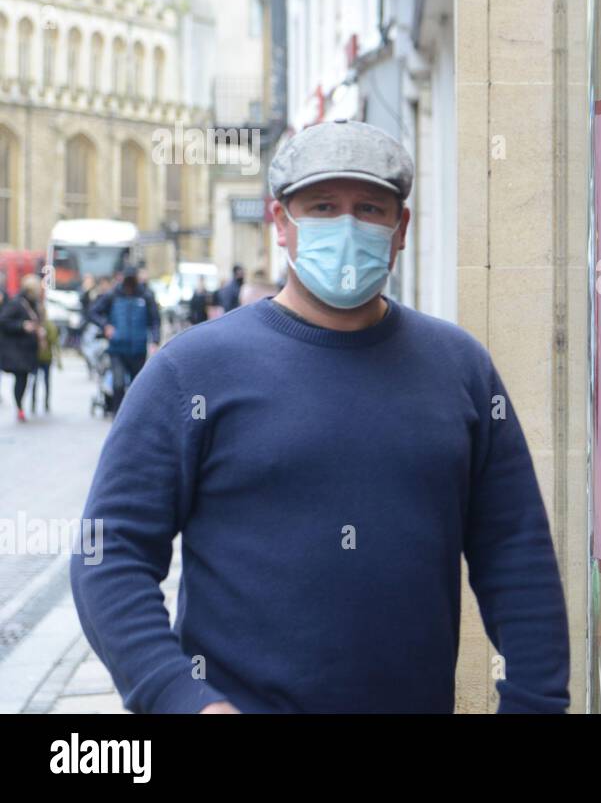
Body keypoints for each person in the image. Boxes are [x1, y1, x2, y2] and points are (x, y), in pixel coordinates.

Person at [70, 118, 570, 714]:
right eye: (324, 206)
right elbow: (110, 550)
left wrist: (535, 702)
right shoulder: (193, 372)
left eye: (370, 209)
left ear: (400, 228)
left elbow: (516, 552)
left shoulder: (460, 369)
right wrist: (180, 696)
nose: (347, 225)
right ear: (280, 221)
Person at [86, 265, 160, 416]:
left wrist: (155, 341)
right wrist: (105, 326)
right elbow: (93, 312)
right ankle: (117, 414)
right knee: (118, 384)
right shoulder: (113, 295)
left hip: (138, 349)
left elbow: (155, 320)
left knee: (136, 386)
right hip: (117, 349)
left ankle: (133, 416)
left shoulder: (146, 296)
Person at [0, 275, 44, 422]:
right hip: (16, 350)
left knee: (25, 379)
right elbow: (4, 321)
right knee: (20, 378)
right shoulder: (17, 303)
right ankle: (19, 407)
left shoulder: (34, 304)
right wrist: (23, 326)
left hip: (28, 349)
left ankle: (21, 406)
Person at [28, 301, 60, 413]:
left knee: (46, 381)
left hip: (46, 358)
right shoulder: (34, 325)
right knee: (35, 381)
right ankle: (33, 403)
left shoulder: (49, 325)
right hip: (36, 358)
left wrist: (45, 336)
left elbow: (55, 341)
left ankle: (46, 402)